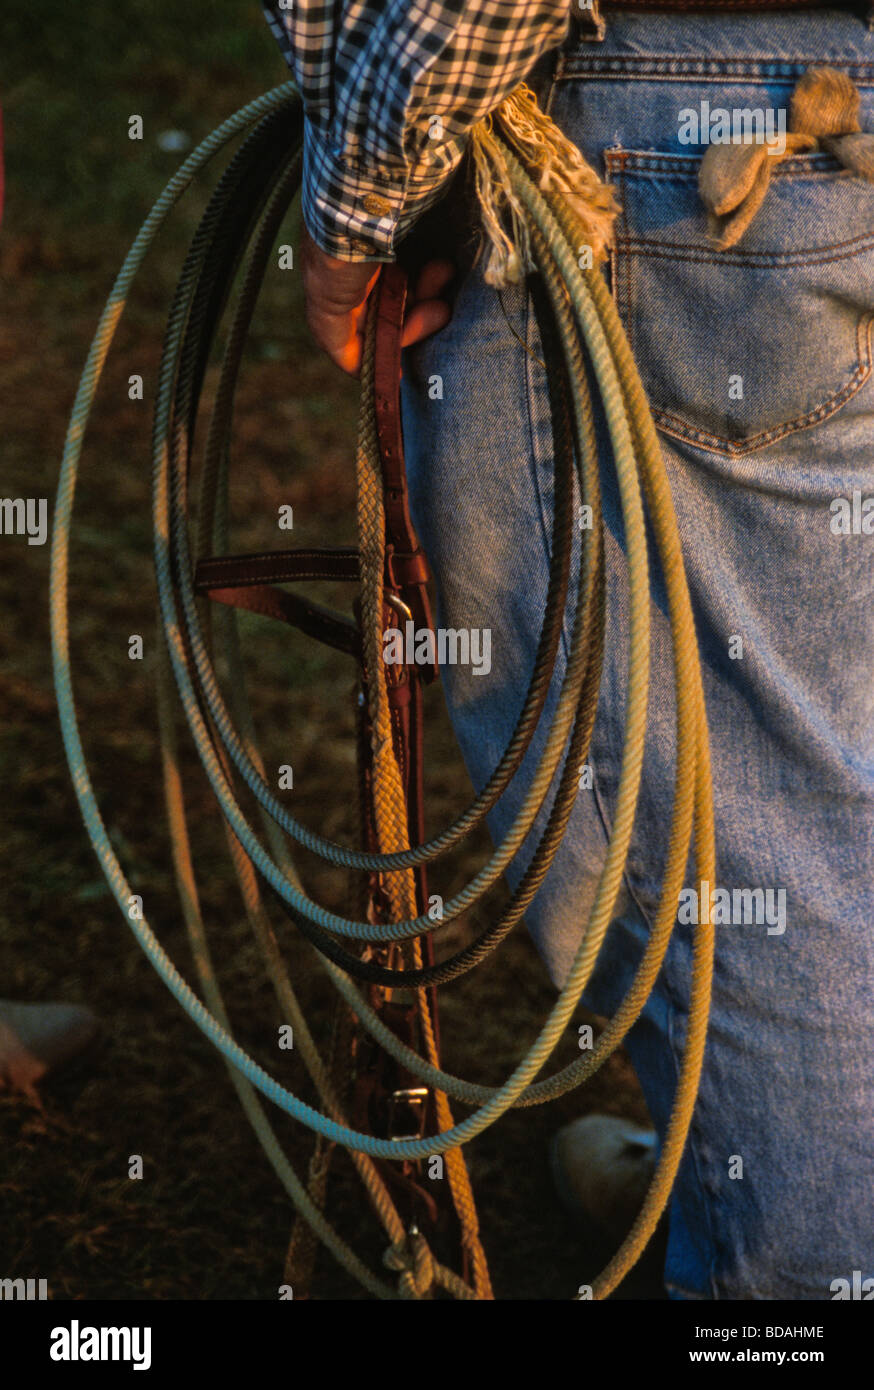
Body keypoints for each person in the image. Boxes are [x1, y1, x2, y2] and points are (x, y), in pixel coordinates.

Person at [262, 1, 874, 1300]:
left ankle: (791, 1247)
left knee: (717, 847)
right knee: (814, 732)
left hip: (648, 126)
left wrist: (363, 195)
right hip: (796, 121)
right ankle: (745, 1154)